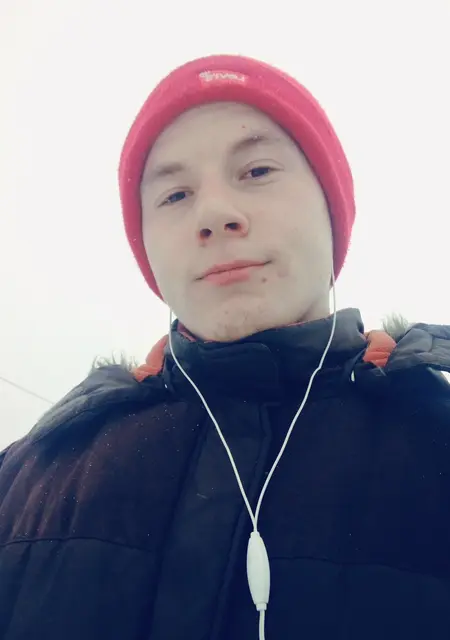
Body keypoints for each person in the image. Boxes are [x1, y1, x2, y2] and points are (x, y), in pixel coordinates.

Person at [1, 54, 450, 640]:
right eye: (174, 195)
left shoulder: (434, 435)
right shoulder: (31, 476)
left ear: (331, 208)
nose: (213, 215)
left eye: (257, 170)